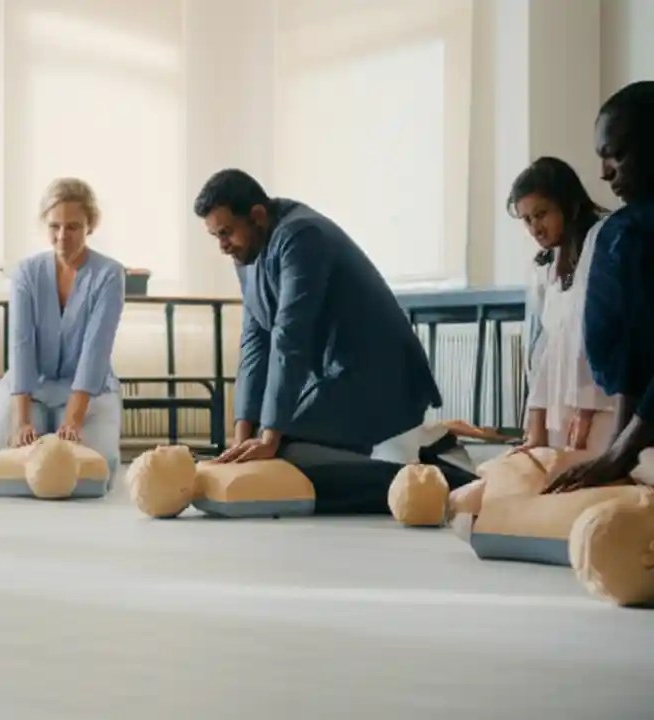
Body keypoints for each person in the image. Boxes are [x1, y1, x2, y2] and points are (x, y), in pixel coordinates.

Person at [195, 169, 454, 513]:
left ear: (257, 215)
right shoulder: (248, 255)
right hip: (335, 381)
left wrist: (271, 436)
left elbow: (290, 337)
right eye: (216, 236)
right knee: (266, 446)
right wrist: (243, 436)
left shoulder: (302, 236)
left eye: (226, 233)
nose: (222, 245)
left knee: (283, 447)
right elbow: (255, 346)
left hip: (381, 382)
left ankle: (438, 479)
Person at [0, 177, 125, 489]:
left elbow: (95, 351)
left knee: (93, 475)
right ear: (45, 225)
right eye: (55, 226)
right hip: (30, 389)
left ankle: (46, 454)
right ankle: (37, 445)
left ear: (90, 225)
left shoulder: (109, 275)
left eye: (74, 226)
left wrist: (73, 421)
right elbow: (21, 345)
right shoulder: (26, 273)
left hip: (88, 394)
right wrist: (22, 421)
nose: (63, 236)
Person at [547, 81, 654, 493]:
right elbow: (641, 354)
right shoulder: (626, 230)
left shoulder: (632, 235)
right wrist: (616, 453)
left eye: (617, 154)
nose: (605, 172)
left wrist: (620, 453)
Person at [508, 157, 614, 456]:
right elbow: (547, 346)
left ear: (568, 205)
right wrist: (536, 424)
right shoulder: (549, 263)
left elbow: (593, 334)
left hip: (604, 400)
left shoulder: (600, 242)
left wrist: (585, 411)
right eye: (527, 219)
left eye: (541, 214)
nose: (535, 228)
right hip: (564, 399)